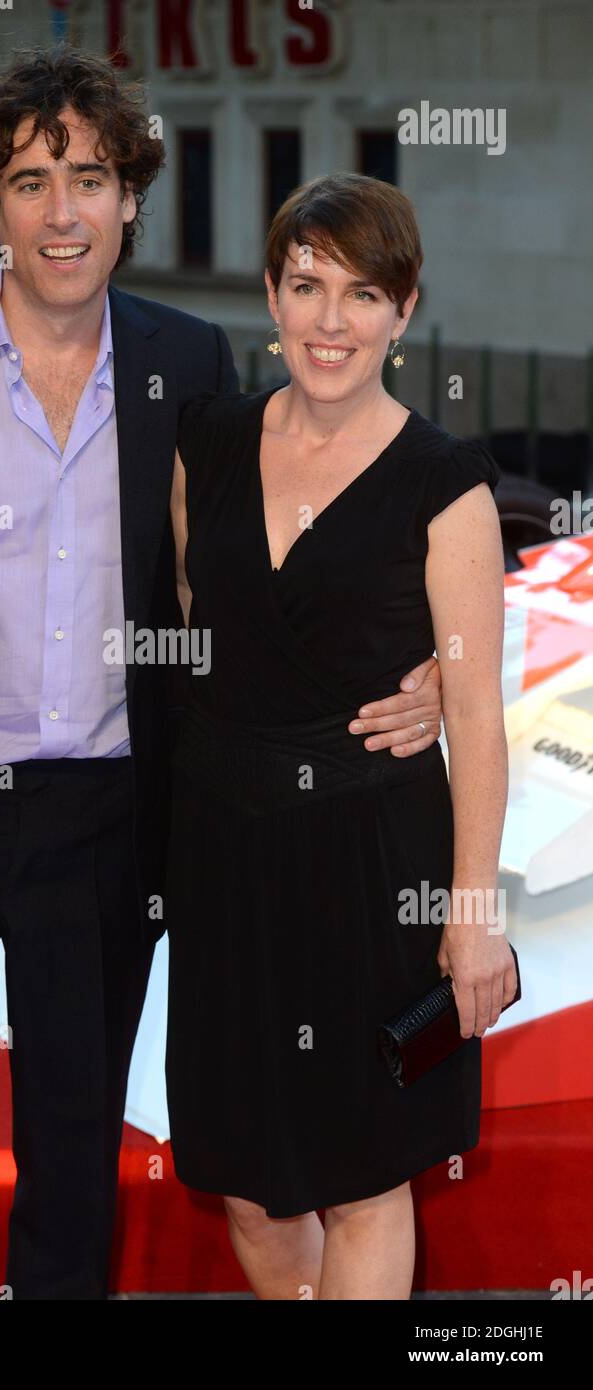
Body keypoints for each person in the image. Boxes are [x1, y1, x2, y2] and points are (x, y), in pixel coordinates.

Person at [0, 48, 447, 1301]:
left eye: (90, 177)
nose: (63, 212)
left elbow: (292, 560)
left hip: (105, 826)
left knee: (74, 1169)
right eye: (31, 182)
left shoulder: (189, 363)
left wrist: (439, 666)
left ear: (131, 195)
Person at [165, 172, 516, 1301]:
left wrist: (470, 915)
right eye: (308, 286)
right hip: (225, 857)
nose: (331, 321)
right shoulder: (205, 445)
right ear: (271, 294)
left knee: (367, 1179)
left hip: (372, 862)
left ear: (403, 313)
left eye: (363, 294)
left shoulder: (445, 487)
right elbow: (190, 630)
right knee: (251, 1191)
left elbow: (473, 714)